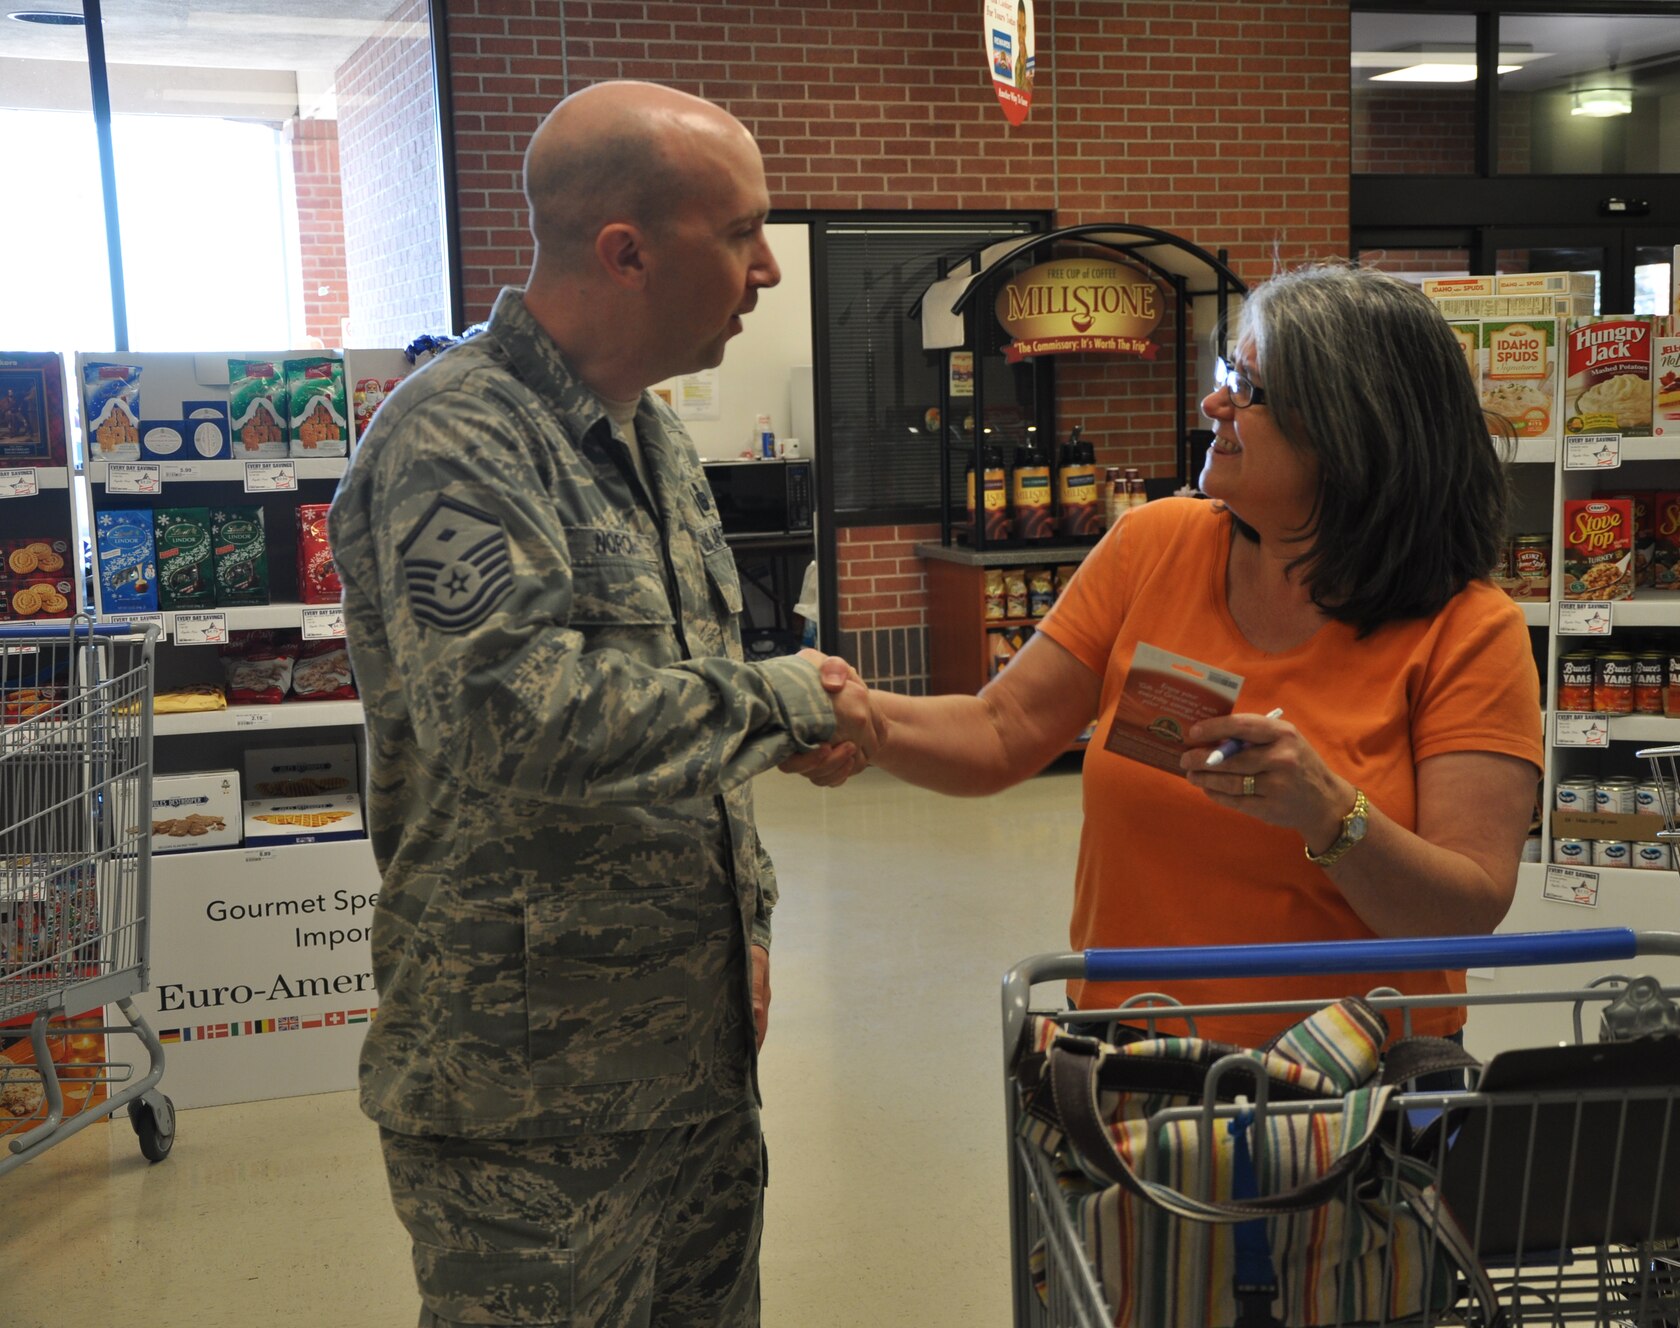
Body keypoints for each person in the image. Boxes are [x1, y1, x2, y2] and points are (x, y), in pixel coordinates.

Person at [328, 81, 875, 1327]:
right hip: (530, 1094)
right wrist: (780, 701)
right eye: (741, 233)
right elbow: (517, 714)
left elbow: (670, 695)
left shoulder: (650, 438)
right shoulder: (457, 437)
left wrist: (747, 908)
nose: (767, 272)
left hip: (687, 1054)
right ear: (625, 251)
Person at [791, 264, 1542, 1049]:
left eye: (1247, 388)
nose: (1215, 404)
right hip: (1131, 1064)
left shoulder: (1468, 631)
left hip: (1351, 1093)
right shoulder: (1154, 545)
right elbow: (1002, 728)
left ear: (1351, 427)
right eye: (1226, 377)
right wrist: (863, 716)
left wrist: (1328, 811)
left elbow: (1467, 907)